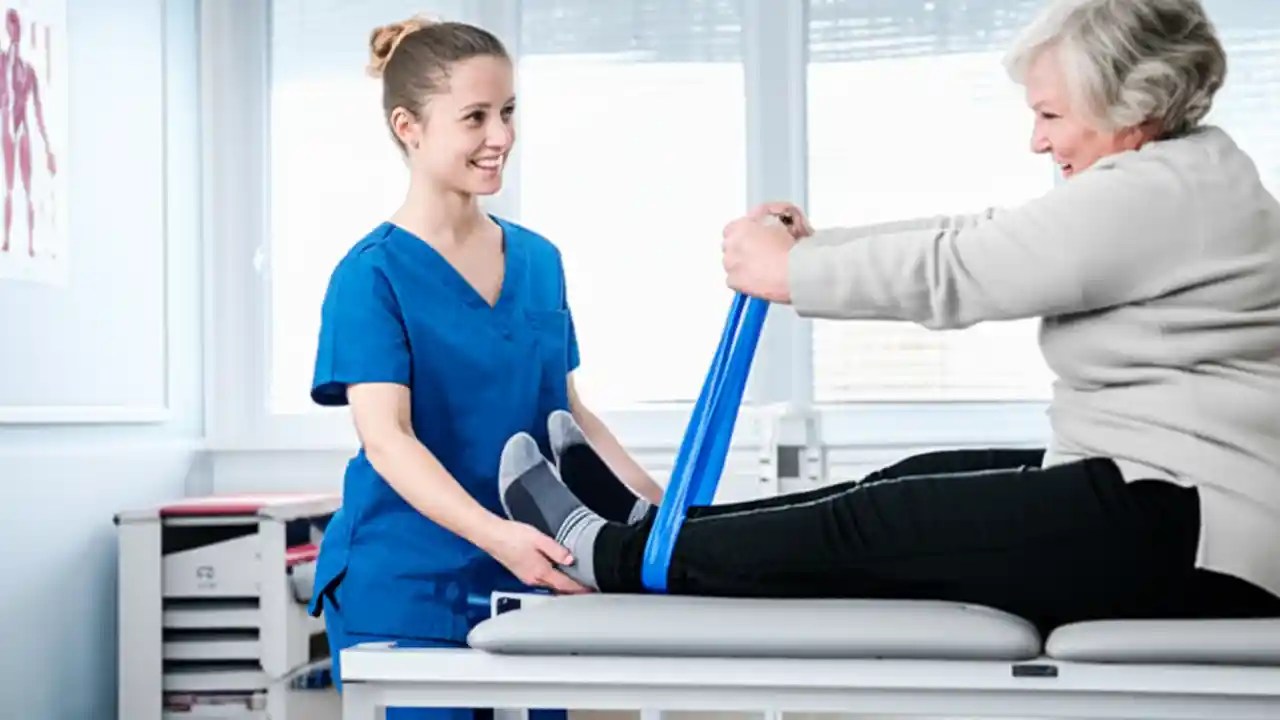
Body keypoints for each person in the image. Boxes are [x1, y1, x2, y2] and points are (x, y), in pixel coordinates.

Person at [496, 0, 1280, 635]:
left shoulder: (1159, 195)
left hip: (1193, 532)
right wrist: (815, 249)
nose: (1035, 138)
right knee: (911, 479)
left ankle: (610, 555)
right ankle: (661, 526)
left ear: (1129, 103)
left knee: (886, 518)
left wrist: (791, 272)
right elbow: (982, 233)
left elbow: (965, 270)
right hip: (1167, 499)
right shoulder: (1186, 176)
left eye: (1051, 114)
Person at [305, 15, 664, 719]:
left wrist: (662, 514)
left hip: (535, 577)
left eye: (507, 112)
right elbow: (388, 439)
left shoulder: (539, 261)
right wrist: (497, 535)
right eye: (475, 117)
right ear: (409, 127)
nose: (501, 136)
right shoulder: (371, 275)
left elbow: (569, 413)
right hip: (410, 584)